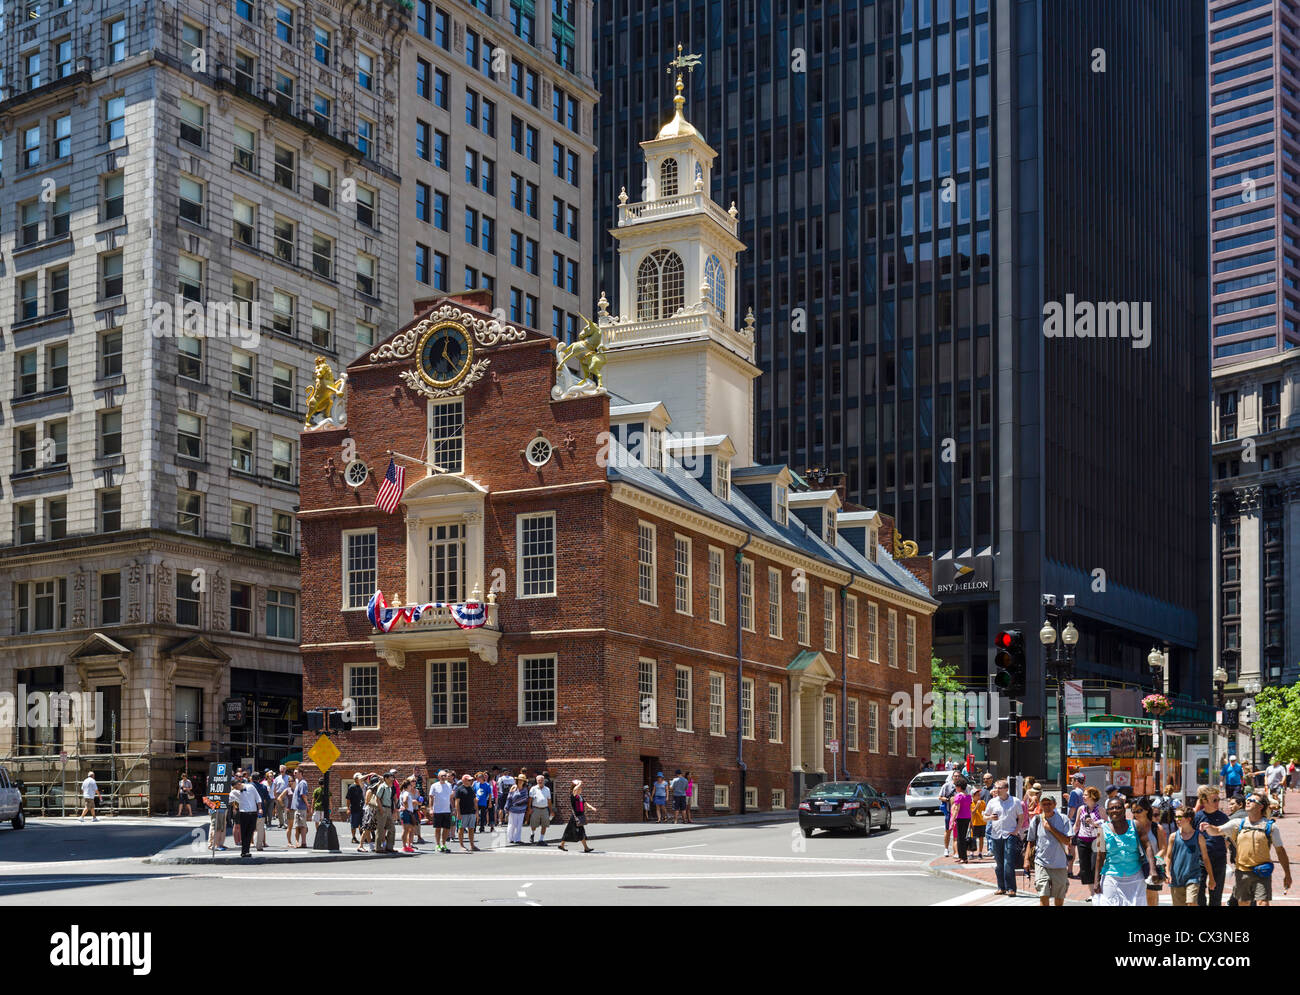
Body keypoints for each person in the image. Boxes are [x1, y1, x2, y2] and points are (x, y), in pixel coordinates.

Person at [1200, 791, 1293, 907]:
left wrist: (1287, 874)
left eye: (1252, 800)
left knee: (1262, 903)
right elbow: (1217, 830)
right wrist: (1208, 827)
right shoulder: (1237, 824)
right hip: (1242, 872)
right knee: (1243, 903)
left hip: (1262, 872)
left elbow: (1280, 851)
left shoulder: (1270, 827)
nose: (1248, 801)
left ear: (1261, 806)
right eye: (1247, 800)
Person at [1093, 795, 1159, 906]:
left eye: (1118, 807)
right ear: (1107, 812)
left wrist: (1153, 869)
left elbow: (1148, 846)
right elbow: (1100, 856)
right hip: (1111, 877)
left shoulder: (1135, 825)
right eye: (1111, 808)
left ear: (1124, 810)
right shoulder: (1102, 830)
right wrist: (1096, 881)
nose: (1115, 810)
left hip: (1135, 878)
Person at [1025, 794, 1071, 906]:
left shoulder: (1063, 819)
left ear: (1055, 805)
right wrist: (1026, 860)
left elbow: (1067, 841)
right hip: (1041, 863)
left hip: (1059, 864)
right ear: (1040, 806)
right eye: (1044, 804)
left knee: (1059, 899)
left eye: (1049, 804)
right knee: (1043, 895)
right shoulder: (1036, 820)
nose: (1047, 806)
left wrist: (1051, 829)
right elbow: (1030, 841)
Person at [1166, 806, 1215, 906]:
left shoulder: (1199, 837)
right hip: (1176, 878)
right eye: (1175, 817)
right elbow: (1168, 856)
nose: (1176, 820)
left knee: (1191, 903)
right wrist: (1167, 872)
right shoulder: (1173, 837)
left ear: (1189, 819)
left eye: (1179, 817)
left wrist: (1211, 877)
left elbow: (1205, 858)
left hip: (1193, 876)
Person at [984, 779, 1024, 897]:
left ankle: (1011, 888)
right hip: (996, 835)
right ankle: (1001, 887)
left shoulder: (1015, 801)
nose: (997, 790)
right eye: (996, 788)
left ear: (1006, 789)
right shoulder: (992, 802)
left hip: (1009, 835)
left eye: (999, 788)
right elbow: (984, 817)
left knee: (1008, 863)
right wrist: (990, 817)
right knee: (999, 863)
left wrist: (1016, 831)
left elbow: (1021, 817)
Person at [1194, 785, 1230, 907]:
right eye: (1214, 800)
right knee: (1198, 889)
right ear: (1204, 801)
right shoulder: (1198, 817)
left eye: (1218, 799)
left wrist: (1226, 844)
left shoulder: (1223, 817)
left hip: (1218, 857)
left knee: (1216, 891)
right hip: (1200, 859)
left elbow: (1229, 836)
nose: (1217, 802)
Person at [1131, 795, 1167, 907]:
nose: (1136, 813)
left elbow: (1163, 849)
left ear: (1146, 810)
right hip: (1135, 866)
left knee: (1151, 895)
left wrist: (1155, 860)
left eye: (1139, 810)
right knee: (1136, 897)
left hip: (1152, 867)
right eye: (1134, 811)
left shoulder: (1156, 828)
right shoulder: (1130, 827)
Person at [1071, 786, 1104, 894]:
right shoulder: (1081, 809)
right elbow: (1077, 825)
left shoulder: (1100, 810)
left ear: (1092, 796)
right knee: (1085, 867)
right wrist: (1070, 836)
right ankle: (1092, 894)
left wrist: (1094, 823)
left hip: (1097, 840)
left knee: (1096, 866)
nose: (1083, 797)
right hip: (1082, 840)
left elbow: (1107, 826)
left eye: (1085, 795)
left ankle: (1099, 889)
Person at [228, 775, 262, 859]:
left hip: (253, 812)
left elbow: (258, 798)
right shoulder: (234, 792)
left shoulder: (251, 787)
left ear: (239, 784)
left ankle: (247, 851)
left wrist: (260, 808)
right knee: (244, 832)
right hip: (243, 813)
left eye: (236, 787)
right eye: (234, 788)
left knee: (250, 832)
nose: (236, 789)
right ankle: (244, 851)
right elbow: (228, 799)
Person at [558, 779, 596, 853]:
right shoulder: (573, 796)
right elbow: (575, 790)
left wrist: (592, 807)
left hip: (579, 815)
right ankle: (586, 848)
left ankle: (562, 845)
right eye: (579, 788)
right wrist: (579, 784)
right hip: (575, 817)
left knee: (572, 831)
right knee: (577, 831)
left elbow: (585, 803)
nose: (580, 789)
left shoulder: (580, 797)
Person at [429, 769, 455, 853]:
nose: (444, 777)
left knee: (446, 828)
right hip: (437, 811)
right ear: (439, 777)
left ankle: (443, 844)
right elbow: (431, 797)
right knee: (438, 829)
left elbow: (450, 798)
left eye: (445, 776)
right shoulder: (434, 785)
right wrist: (431, 809)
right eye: (442, 776)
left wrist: (453, 808)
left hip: (447, 810)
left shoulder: (449, 785)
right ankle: (437, 845)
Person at [454, 773, 480, 851]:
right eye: (469, 780)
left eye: (471, 780)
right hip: (462, 813)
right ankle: (461, 845)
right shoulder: (459, 789)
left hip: (471, 812)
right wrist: (458, 813)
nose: (470, 781)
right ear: (464, 780)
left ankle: (472, 845)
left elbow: (475, 801)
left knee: (471, 829)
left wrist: (476, 812)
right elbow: (457, 802)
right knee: (461, 829)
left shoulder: (471, 789)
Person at [949, 777, 972, 863]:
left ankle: (963, 857)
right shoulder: (968, 796)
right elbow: (969, 809)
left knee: (960, 838)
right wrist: (971, 821)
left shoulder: (958, 796)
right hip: (967, 818)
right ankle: (962, 856)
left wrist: (952, 820)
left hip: (960, 818)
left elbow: (956, 809)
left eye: (956, 786)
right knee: (962, 837)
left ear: (959, 787)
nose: (955, 788)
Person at [372, 771, 396, 853]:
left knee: (392, 829)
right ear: (385, 778)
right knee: (380, 829)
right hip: (382, 808)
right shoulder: (382, 787)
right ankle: (378, 848)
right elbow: (377, 798)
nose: (392, 779)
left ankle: (389, 847)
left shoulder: (390, 787)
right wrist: (381, 809)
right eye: (391, 777)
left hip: (389, 809)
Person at [527, 773, 554, 845]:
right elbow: (530, 800)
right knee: (533, 824)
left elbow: (549, 801)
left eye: (541, 780)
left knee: (544, 825)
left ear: (544, 781)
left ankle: (541, 839)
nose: (540, 781)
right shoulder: (533, 789)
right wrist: (529, 808)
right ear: (536, 781)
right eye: (539, 780)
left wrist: (551, 811)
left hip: (545, 809)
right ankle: (532, 834)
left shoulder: (547, 789)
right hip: (535, 808)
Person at [938, 769, 958, 856]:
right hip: (950, 812)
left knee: (957, 832)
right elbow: (940, 797)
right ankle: (946, 849)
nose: (957, 777)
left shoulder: (963, 786)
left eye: (958, 776)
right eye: (955, 776)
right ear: (952, 777)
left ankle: (956, 851)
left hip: (960, 813)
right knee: (948, 830)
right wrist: (948, 799)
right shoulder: (947, 786)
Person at [506, 777, 530, 843]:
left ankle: (517, 839)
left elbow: (526, 799)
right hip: (513, 809)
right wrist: (507, 807)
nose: (520, 781)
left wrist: (527, 808)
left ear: (524, 782)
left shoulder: (525, 789)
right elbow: (509, 798)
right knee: (512, 824)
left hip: (522, 809)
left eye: (522, 780)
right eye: (519, 780)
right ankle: (510, 839)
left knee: (519, 825)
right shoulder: (514, 787)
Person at [399, 777, 418, 853]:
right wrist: (406, 807)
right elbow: (405, 800)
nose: (411, 786)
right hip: (406, 812)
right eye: (410, 785)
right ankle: (405, 846)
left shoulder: (404, 793)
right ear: (407, 786)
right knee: (406, 830)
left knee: (411, 829)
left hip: (408, 812)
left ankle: (408, 845)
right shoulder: (406, 793)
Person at [346, 773, 366, 844]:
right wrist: (348, 808)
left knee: (362, 823)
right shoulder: (352, 787)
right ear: (356, 779)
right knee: (354, 824)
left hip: (362, 808)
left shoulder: (361, 786)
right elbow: (348, 799)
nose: (361, 779)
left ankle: (362, 837)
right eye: (360, 778)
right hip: (354, 808)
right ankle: (353, 837)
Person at [970, 785, 987, 860]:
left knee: (981, 838)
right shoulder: (971, 803)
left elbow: (985, 811)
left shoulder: (983, 802)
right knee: (973, 839)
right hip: (974, 823)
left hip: (982, 823)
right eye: (976, 795)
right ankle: (972, 853)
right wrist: (977, 805)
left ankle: (980, 853)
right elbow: (972, 813)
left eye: (979, 795)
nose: (978, 796)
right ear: (973, 796)